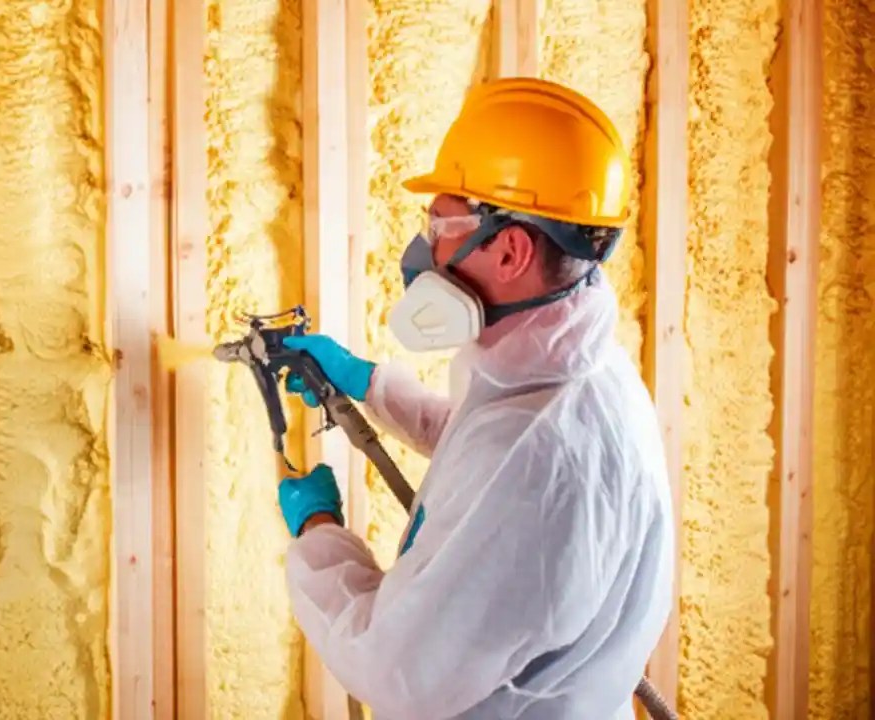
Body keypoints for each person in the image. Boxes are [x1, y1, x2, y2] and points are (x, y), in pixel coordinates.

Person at [275, 78, 675, 719]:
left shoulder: (541, 470)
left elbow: (395, 671)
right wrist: (368, 383)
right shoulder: (570, 375)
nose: (425, 249)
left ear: (512, 249)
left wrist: (318, 534)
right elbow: (481, 439)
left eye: (441, 224)